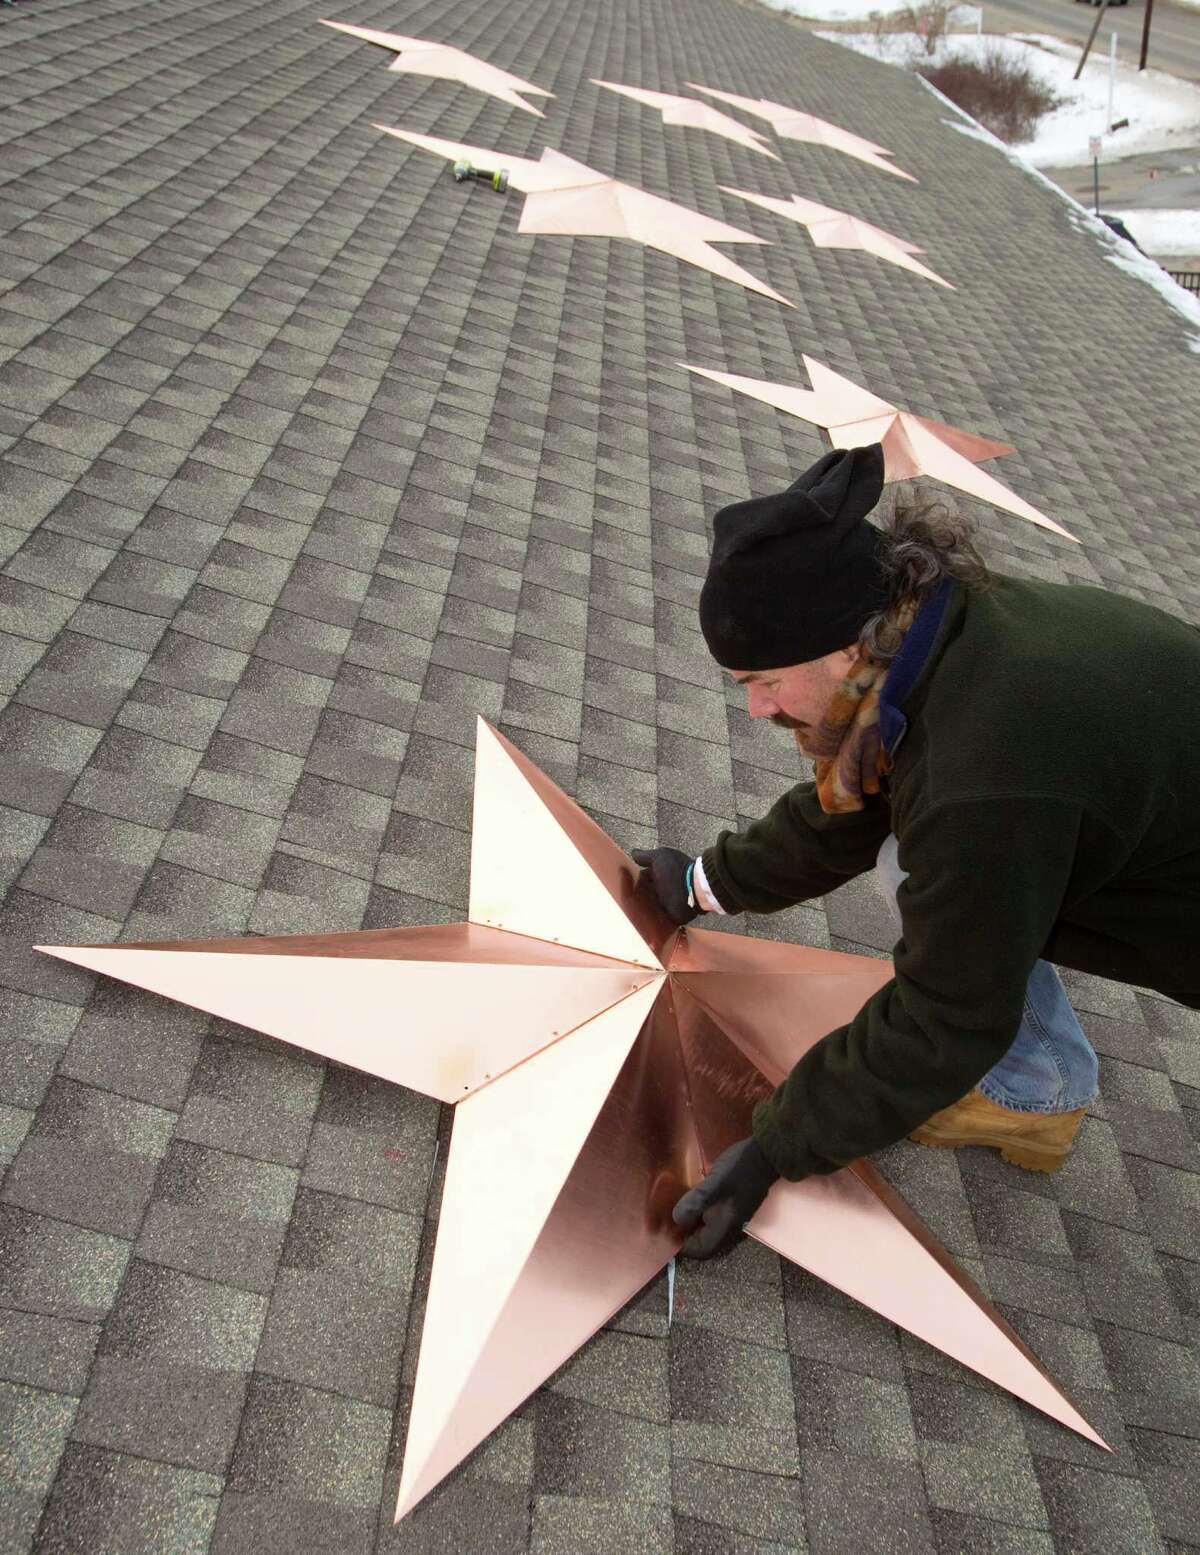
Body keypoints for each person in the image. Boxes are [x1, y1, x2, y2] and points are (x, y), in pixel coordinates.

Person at [634, 443, 1200, 1259]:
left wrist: (771, 1149)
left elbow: (947, 1013)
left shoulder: (982, 777)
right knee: (923, 855)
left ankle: (1033, 1097)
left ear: (840, 649)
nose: (758, 710)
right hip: (1132, 799)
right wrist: (704, 883)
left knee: (942, 875)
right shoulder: (932, 635)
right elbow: (856, 802)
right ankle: (1042, 1078)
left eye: (762, 679)